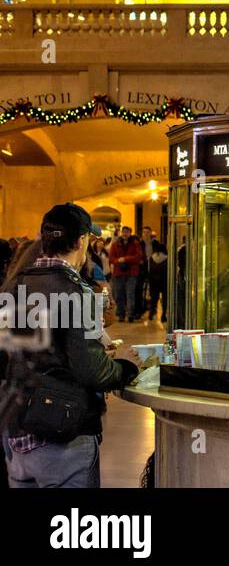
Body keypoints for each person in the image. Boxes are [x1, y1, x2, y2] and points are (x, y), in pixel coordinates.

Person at [2, 204, 140, 488]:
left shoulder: (13, 287)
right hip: (62, 434)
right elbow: (92, 372)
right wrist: (125, 366)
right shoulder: (77, 292)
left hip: (16, 432)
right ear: (80, 242)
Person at [107, 226, 144, 321]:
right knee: (119, 294)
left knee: (130, 293)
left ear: (130, 233)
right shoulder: (115, 244)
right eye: (123, 232)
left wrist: (125, 259)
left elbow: (138, 256)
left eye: (127, 232)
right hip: (119, 272)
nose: (125, 234)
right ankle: (121, 314)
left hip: (131, 272)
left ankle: (130, 314)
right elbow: (111, 257)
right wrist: (118, 261)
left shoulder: (135, 244)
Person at [141, 227, 167, 324]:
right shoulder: (167, 259)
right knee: (164, 298)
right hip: (164, 281)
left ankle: (152, 312)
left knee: (154, 297)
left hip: (153, 281)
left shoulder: (152, 258)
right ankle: (164, 314)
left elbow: (149, 270)